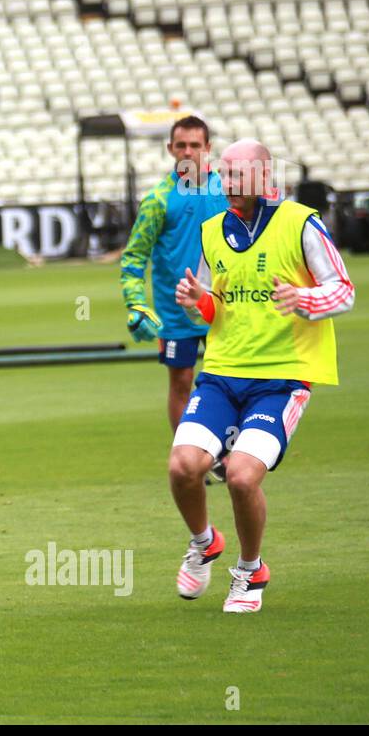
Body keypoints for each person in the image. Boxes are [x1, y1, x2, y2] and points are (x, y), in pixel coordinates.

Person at [171, 139, 354, 613]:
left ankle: (250, 571)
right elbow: (217, 306)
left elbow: (345, 290)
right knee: (182, 468)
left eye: (236, 176)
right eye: (223, 176)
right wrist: (197, 302)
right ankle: (204, 541)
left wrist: (305, 300)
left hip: (282, 380)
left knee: (240, 477)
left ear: (262, 178)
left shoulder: (300, 223)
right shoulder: (213, 231)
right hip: (222, 373)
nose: (227, 184)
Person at [120, 117, 230, 475]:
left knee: (227, 379)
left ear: (208, 149)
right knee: (181, 380)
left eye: (194, 145)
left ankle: (226, 452)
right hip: (175, 313)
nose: (187, 152)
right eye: (180, 145)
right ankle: (191, 458)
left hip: (223, 307)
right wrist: (136, 302)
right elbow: (134, 256)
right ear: (170, 149)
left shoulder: (229, 192)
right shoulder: (157, 200)